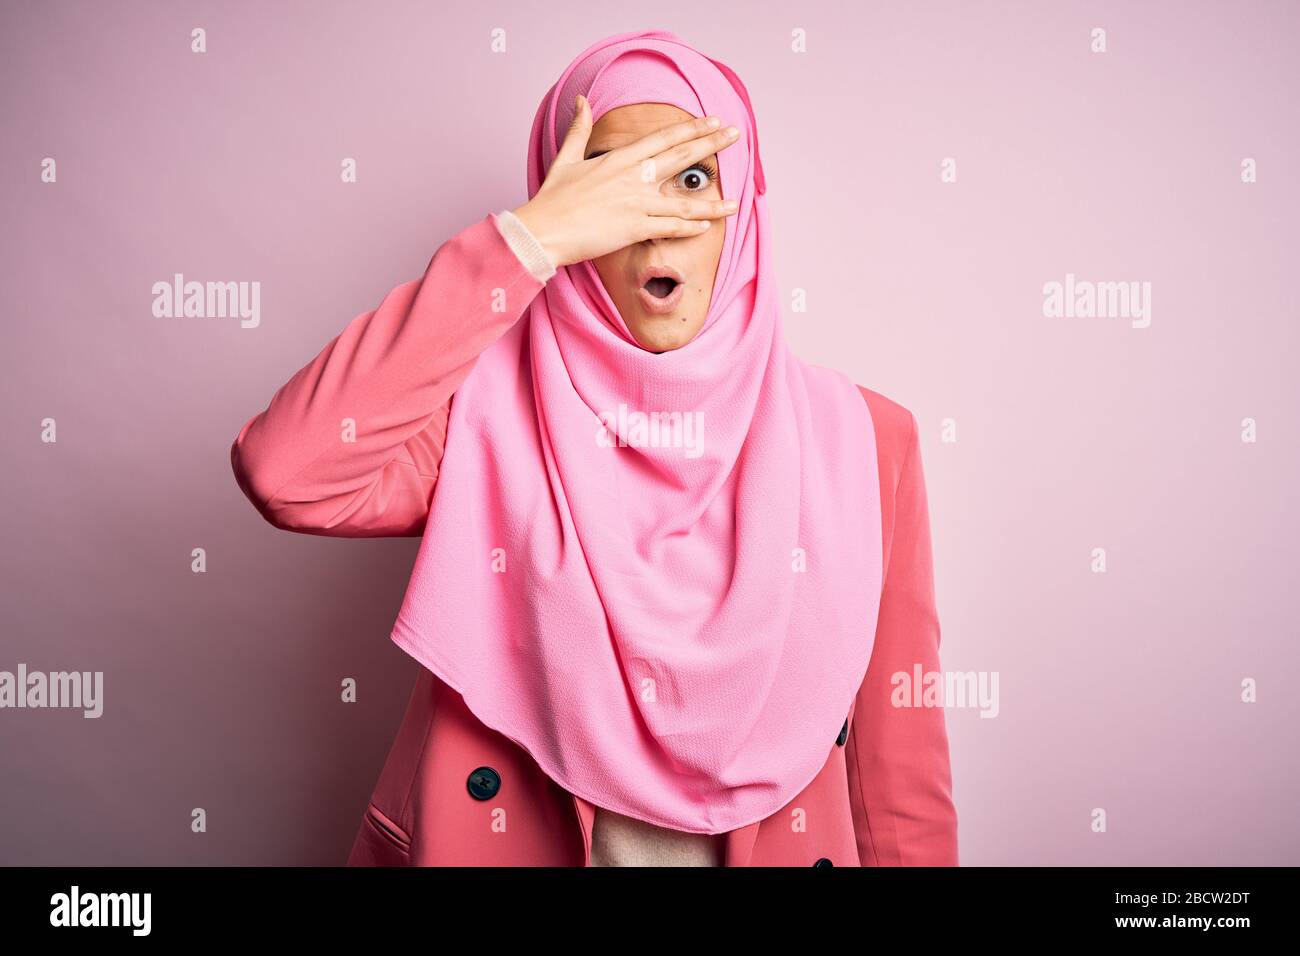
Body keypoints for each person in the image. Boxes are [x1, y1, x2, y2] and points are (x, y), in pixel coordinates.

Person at [230, 29, 958, 867]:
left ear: (745, 207)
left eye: (690, 179)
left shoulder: (868, 442)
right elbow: (285, 473)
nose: (653, 226)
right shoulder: (482, 416)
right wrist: (526, 241)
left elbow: (899, 782)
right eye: (609, 188)